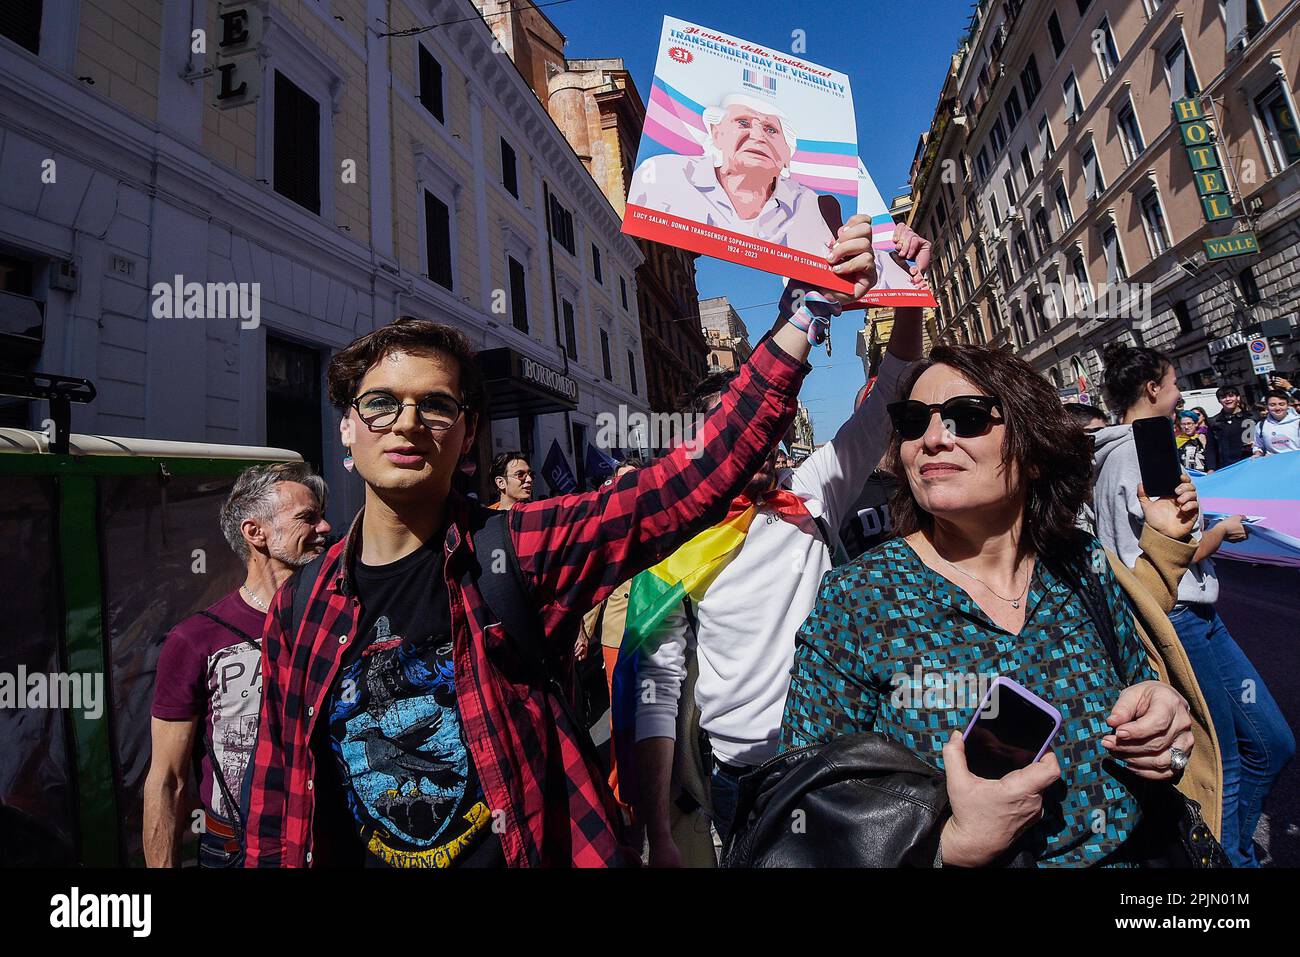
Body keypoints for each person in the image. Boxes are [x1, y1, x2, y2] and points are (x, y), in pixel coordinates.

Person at [243, 221, 881, 868]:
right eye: (380, 403)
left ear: (468, 436)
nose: (407, 421)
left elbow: (688, 480)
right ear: (347, 427)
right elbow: (273, 812)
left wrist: (806, 316)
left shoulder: (516, 549)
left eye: (435, 405)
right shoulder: (300, 608)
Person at [779, 343, 1217, 867]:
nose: (934, 439)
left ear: (1032, 451)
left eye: (967, 417)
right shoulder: (857, 599)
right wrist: (950, 848)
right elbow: (804, 806)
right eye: (913, 422)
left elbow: (1138, 685)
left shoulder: (1081, 560)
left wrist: (1162, 727)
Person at [630, 223, 932, 863]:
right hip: (741, 779)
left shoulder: (815, 488)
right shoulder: (672, 546)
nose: (756, 446)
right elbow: (656, 692)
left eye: (765, 428)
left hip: (844, 756)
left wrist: (907, 292)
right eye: (735, 434)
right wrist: (657, 827)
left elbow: (893, 386)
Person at [1094, 342, 1294, 867]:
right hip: (1179, 619)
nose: (1181, 392)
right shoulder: (1136, 456)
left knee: (1271, 744)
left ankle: (1233, 852)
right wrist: (1222, 532)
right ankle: (1226, 866)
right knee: (1221, 762)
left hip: (1200, 616)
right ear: (1152, 388)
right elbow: (1160, 558)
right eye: (1175, 382)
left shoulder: (1141, 449)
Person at [144, 463, 331, 867]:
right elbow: (167, 780)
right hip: (237, 851)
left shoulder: (340, 622)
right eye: (307, 518)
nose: (325, 527)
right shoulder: (195, 639)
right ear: (255, 533)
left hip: (328, 839)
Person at [1206, 385, 1254, 472]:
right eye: (1223, 397)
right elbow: (1210, 447)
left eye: (1231, 396)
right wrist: (1211, 468)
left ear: (1238, 398)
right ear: (1219, 401)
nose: (1228, 399)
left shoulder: (1252, 417)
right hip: (1227, 467)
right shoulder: (1214, 422)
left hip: (1251, 463)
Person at [1252, 388, 1300, 455]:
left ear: (1288, 405)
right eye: (1272, 405)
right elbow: (1258, 446)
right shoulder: (1261, 425)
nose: (1277, 408)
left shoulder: (1298, 422)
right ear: (1267, 406)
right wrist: (1257, 454)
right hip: (1274, 463)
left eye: (1281, 404)